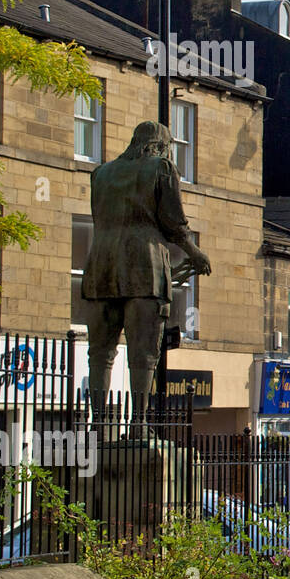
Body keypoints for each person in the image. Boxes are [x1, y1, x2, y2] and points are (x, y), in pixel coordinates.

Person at [82, 121, 212, 419]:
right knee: (143, 354)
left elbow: (99, 217)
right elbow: (173, 221)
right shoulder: (161, 169)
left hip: (100, 266)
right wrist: (195, 252)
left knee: (100, 354)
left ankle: (99, 426)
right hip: (144, 266)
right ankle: (139, 425)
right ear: (160, 147)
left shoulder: (100, 173)